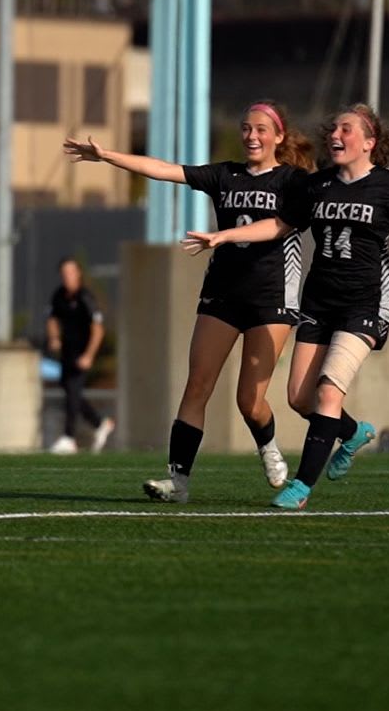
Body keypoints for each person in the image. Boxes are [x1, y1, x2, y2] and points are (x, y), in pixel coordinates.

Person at [183, 104, 389, 509]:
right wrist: (225, 236)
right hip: (319, 300)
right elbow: (280, 225)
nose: (336, 135)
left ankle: (300, 489)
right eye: (334, 128)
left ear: (369, 143)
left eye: (347, 129)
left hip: (367, 300)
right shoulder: (316, 186)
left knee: (327, 393)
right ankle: (352, 434)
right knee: (299, 398)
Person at [64, 99, 311, 498]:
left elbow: (277, 227)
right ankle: (178, 481)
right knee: (197, 385)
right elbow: (163, 169)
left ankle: (268, 447)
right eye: (246, 128)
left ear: (279, 136)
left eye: (261, 129)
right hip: (223, 292)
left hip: (271, 297)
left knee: (250, 401)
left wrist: (222, 237)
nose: (252, 136)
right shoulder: (225, 174)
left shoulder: (293, 181)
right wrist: (107, 155)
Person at [43, 258, 114, 456]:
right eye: (64, 273)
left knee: (73, 390)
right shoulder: (58, 295)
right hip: (67, 351)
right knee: (70, 390)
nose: (68, 277)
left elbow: (98, 330)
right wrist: (54, 338)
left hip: (83, 352)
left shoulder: (86, 297)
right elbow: (51, 319)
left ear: (78, 273)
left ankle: (69, 437)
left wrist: (89, 355)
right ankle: (100, 423)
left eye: (71, 272)